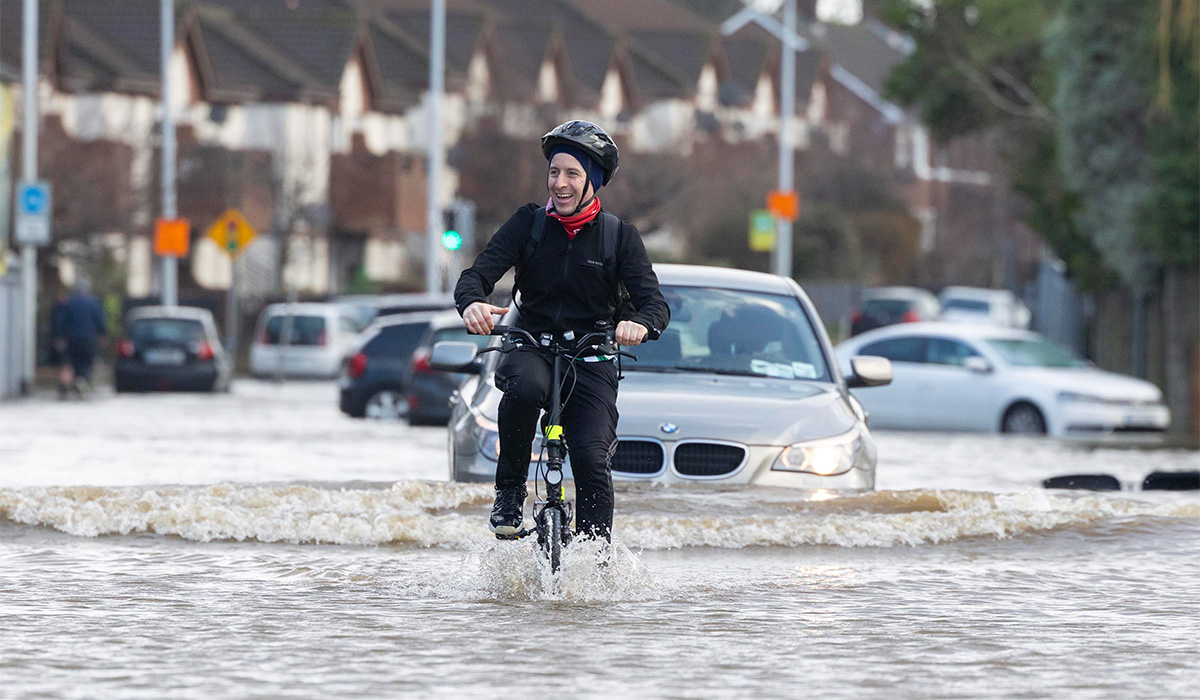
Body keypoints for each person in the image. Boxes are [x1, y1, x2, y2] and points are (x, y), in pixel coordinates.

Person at [454, 120, 670, 541]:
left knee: (591, 460)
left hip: (591, 357)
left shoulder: (619, 237)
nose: (560, 183)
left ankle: (595, 563)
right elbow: (474, 277)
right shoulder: (528, 224)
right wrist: (472, 303)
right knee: (524, 389)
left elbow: (655, 304)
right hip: (532, 347)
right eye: (554, 172)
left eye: (572, 173)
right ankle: (510, 492)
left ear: (592, 181)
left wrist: (639, 324)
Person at [53, 280, 107, 396]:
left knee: (72, 362)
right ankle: (83, 380)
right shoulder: (93, 303)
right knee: (87, 362)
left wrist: (59, 338)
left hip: (72, 339)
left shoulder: (69, 303)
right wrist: (102, 336)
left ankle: (74, 382)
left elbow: (60, 322)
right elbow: (100, 321)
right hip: (89, 339)